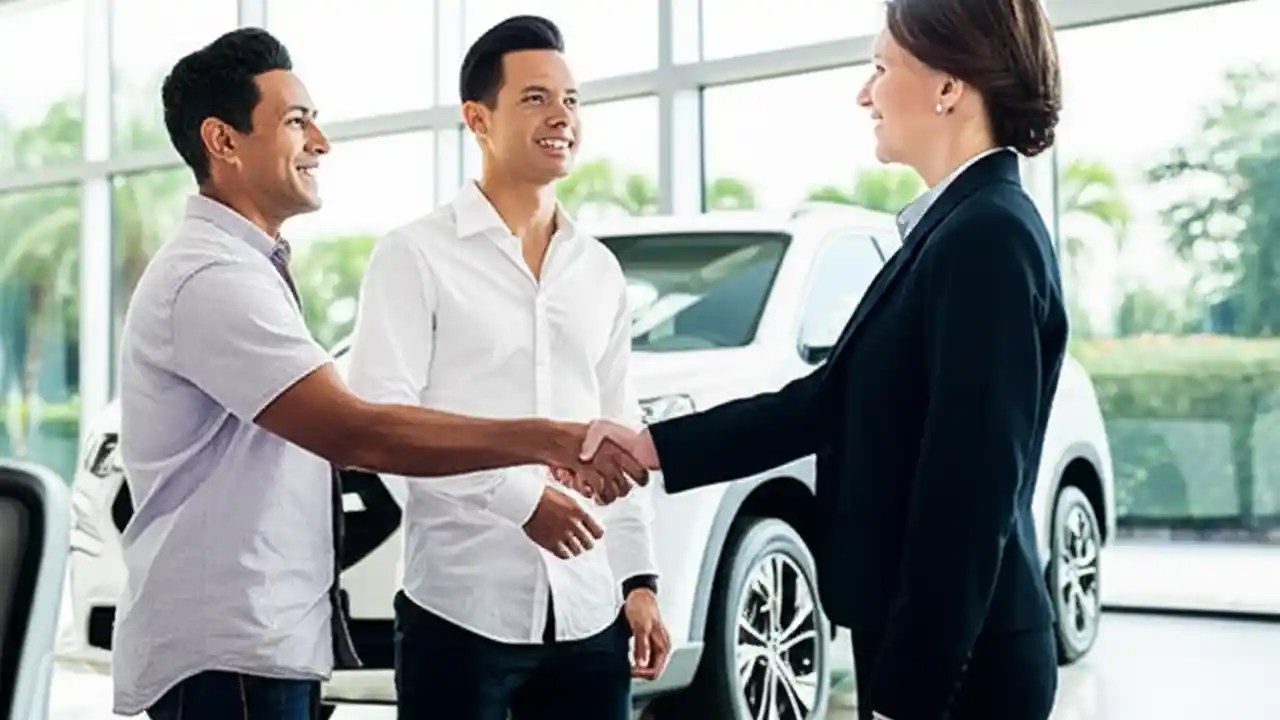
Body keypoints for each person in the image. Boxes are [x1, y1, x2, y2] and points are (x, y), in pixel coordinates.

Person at [112, 27, 645, 720]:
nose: (322, 142)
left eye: (571, 98)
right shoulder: (214, 278)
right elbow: (363, 430)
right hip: (234, 650)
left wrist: (639, 577)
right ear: (223, 141)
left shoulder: (247, 268)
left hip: (261, 644)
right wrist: (545, 444)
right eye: (297, 121)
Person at [579, 0, 1066, 718]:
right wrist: (651, 446)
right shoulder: (953, 229)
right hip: (930, 645)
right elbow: (827, 403)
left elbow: (971, 491)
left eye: (880, 68)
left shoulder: (987, 236)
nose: (864, 93)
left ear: (948, 87)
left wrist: (912, 693)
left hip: (962, 665)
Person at [343, 16, 668, 720]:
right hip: (461, 614)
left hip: (590, 614)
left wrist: (638, 580)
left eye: (572, 100)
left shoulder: (599, 269)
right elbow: (381, 424)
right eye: (535, 98)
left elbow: (620, 426)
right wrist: (519, 502)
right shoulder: (414, 255)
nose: (562, 117)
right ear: (477, 118)